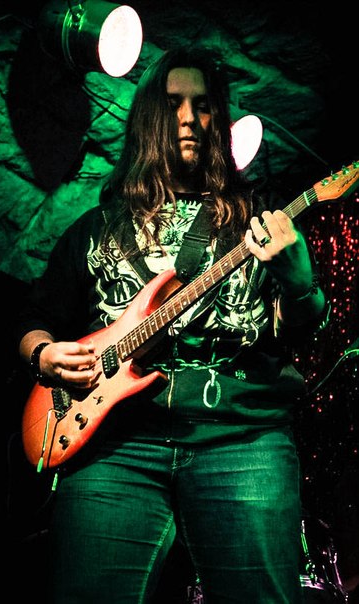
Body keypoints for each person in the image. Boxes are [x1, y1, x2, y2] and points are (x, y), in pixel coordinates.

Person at [16, 47, 329, 603]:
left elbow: (304, 331)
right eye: (173, 103)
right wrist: (44, 354)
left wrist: (301, 281)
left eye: (203, 105)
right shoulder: (97, 227)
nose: (189, 118)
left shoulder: (260, 220)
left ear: (218, 119)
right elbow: (36, 316)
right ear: (148, 119)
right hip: (115, 445)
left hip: (241, 439)